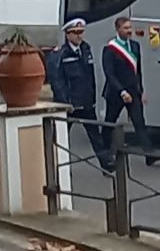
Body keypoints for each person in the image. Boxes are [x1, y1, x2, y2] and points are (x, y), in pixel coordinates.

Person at [48, 18, 114, 174]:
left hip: (86, 102)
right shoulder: (60, 53)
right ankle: (52, 167)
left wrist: (92, 99)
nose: (79, 36)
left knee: (95, 136)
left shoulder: (86, 48)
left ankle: (106, 165)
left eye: (81, 32)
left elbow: (90, 78)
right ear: (67, 34)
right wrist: (65, 102)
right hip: (70, 104)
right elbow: (57, 80)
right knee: (60, 137)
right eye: (75, 32)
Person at [102, 16, 155, 165]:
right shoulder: (110, 49)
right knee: (110, 122)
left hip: (133, 92)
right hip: (115, 93)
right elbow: (109, 74)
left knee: (139, 123)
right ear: (117, 29)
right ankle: (105, 151)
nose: (129, 31)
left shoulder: (135, 46)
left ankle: (149, 154)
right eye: (125, 28)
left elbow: (138, 71)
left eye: (130, 27)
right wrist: (121, 91)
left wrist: (141, 90)